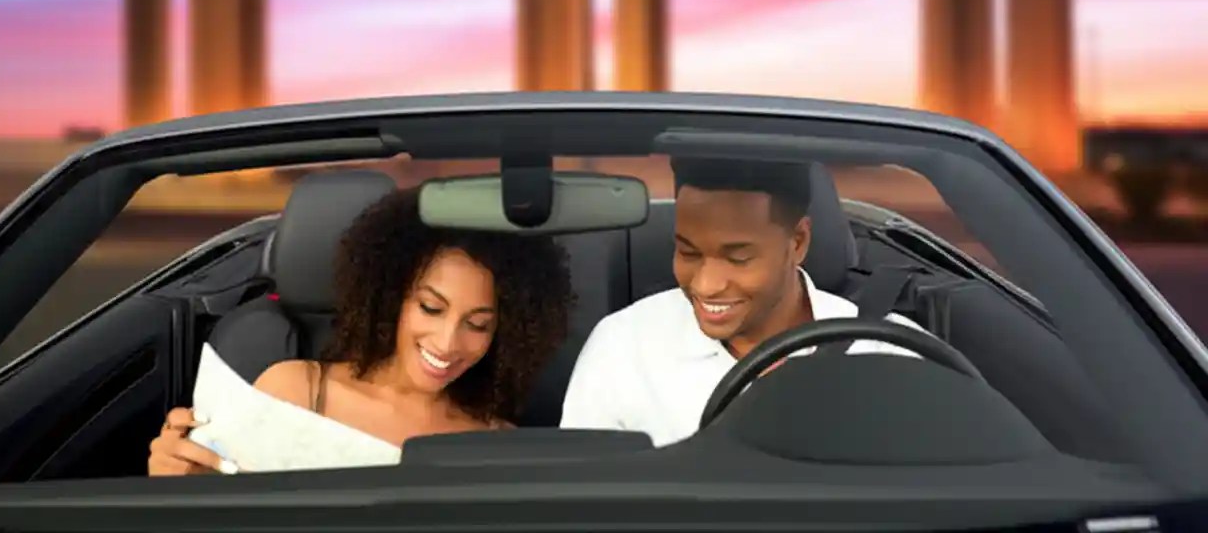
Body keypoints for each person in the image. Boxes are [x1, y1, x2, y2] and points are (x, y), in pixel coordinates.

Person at [149, 185, 575, 475]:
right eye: (430, 308)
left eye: (477, 324)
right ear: (391, 296)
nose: (448, 343)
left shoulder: (499, 445)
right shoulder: (296, 391)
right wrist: (177, 477)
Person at [559, 156, 924, 447]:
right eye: (688, 253)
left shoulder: (890, 352)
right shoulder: (623, 346)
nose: (706, 284)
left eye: (738, 259)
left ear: (797, 242)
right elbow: (580, 505)